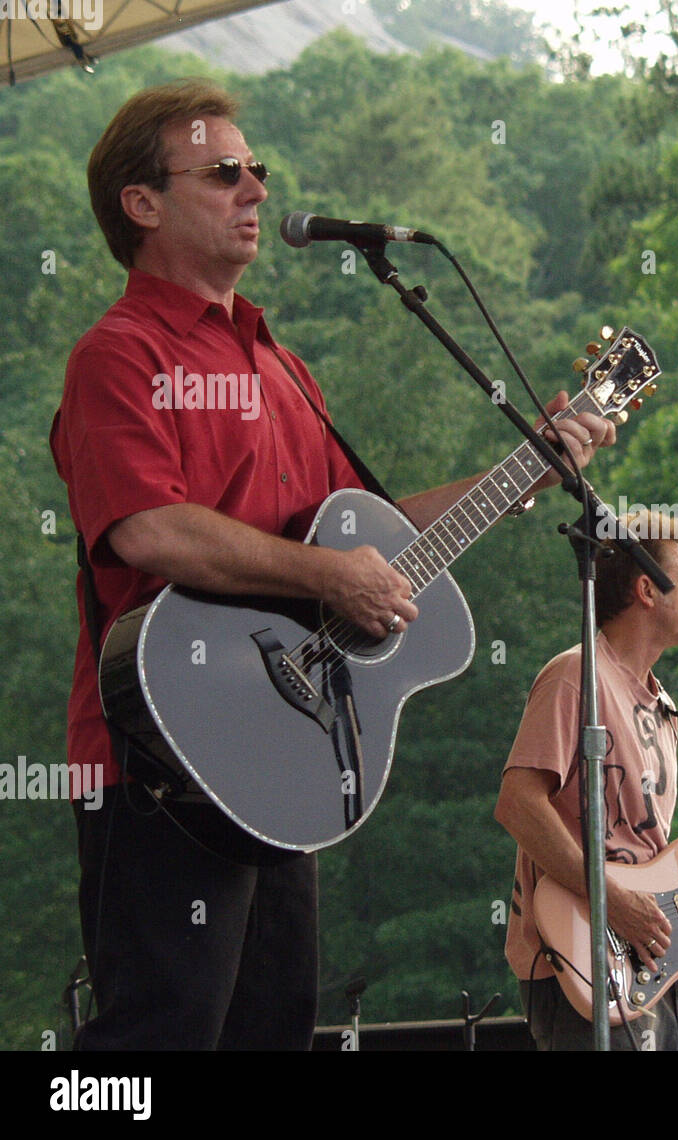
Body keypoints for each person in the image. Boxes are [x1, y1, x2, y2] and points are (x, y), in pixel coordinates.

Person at [49, 79, 615, 1050]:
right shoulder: (118, 355)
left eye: (258, 171)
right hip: (160, 756)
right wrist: (324, 579)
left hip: (288, 754)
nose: (256, 190)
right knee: (159, 1032)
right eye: (225, 172)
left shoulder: (280, 366)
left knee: (271, 1028)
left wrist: (527, 468)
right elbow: (148, 530)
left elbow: (376, 540)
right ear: (141, 204)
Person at [494, 510, 678, 1050]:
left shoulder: (662, 702)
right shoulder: (574, 677)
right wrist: (611, 900)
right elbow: (517, 805)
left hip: (654, 953)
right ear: (647, 589)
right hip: (583, 952)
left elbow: (644, 856)